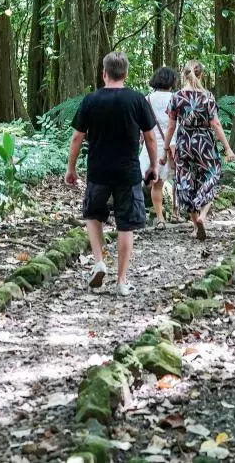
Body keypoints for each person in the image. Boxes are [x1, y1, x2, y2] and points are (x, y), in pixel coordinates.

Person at [64, 51, 158, 296]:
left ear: (104, 73)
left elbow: (76, 137)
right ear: (125, 74)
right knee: (125, 225)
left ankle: (99, 261)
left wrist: (71, 168)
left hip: (98, 170)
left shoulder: (90, 100)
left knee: (92, 215)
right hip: (128, 172)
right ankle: (122, 280)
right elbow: (149, 136)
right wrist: (153, 166)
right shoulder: (137, 100)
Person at [162, 60, 235, 241]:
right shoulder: (207, 96)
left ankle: (195, 227)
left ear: (184, 75)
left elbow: (171, 126)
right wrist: (227, 147)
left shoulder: (176, 97)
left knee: (186, 182)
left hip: (184, 143)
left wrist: (165, 149)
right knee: (211, 176)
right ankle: (202, 215)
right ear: (200, 75)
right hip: (205, 143)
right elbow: (215, 123)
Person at [140, 66, 178, 228]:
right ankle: (175, 214)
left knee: (152, 183)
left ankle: (160, 217)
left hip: (151, 146)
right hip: (171, 146)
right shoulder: (175, 98)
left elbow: (142, 125)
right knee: (170, 182)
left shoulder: (147, 99)